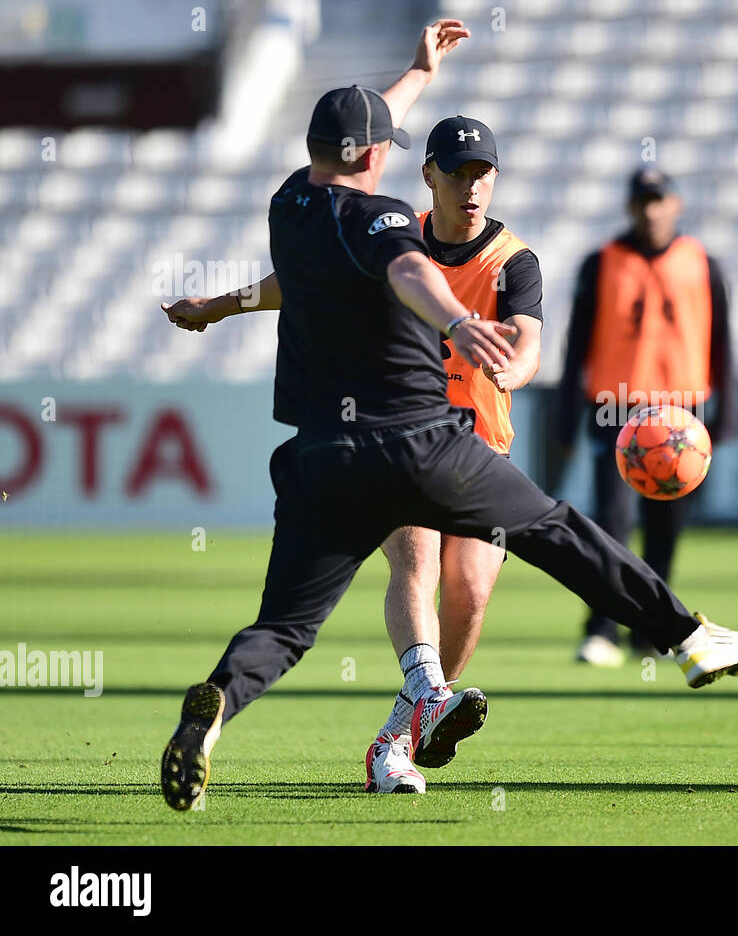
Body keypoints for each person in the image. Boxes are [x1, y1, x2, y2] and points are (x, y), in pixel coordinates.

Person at [158, 23, 738, 813]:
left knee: (283, 627)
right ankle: (686, 637)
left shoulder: (292, 205)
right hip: (419, 444)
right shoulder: (386, 222)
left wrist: (416, 72)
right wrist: (453, 321)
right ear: (385, 160)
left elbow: (307, 248)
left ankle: (218, 703)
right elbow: (411, 268)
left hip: (320, 461)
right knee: (554, 528)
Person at [163, 107, 543, 794]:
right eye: (458, 172)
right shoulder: (390, 231)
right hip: (400, 429)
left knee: (471, 590)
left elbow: (528, 338)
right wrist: (220, 304)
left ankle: (405, 723)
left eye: (483, 172)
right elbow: (301, 283)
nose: (472, 185)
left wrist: (511, 370)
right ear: (428, 175)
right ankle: (411, 727)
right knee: (416, 560)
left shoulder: (512, 259)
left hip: (479, 445)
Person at [556, 168, 738, 667]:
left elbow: (721, 341)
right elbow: (577, 346)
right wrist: (566, 416)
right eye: (642, 201)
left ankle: (649, 632)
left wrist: (728, 411)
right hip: (618, 408)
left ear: (675, 203)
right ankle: (601, 630)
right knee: (610, 524)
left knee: (665, 531)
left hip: (683, 414)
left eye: (659, 200)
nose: (651, 210)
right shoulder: (602, 263)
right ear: (630, 207)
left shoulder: (703, 263)